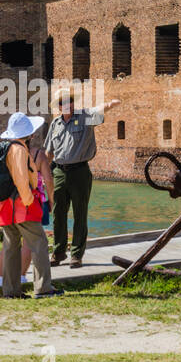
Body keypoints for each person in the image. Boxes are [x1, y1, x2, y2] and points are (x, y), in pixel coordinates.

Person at [45, 88, 121, 268]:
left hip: (79, 172)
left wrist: (110, 104)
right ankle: (58, 252)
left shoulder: (85, 117)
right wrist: (43, 175)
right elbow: (48, 152)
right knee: (58, 214)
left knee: (80, 213)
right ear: (58, 106)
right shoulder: (55, 124)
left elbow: (99, 109)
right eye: (62, 102)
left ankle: (76, 255)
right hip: (59, 172)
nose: (67, 105)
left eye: (69, 101)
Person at [0, 112, 60, 299]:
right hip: (22, 206)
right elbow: (22, 179)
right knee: (39, 244)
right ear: (29, 134)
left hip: (6, 206)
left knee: (11, 247)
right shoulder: (20, 150)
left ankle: (11, 291)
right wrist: (30, 200)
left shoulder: (5, 148)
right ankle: (43, 288)